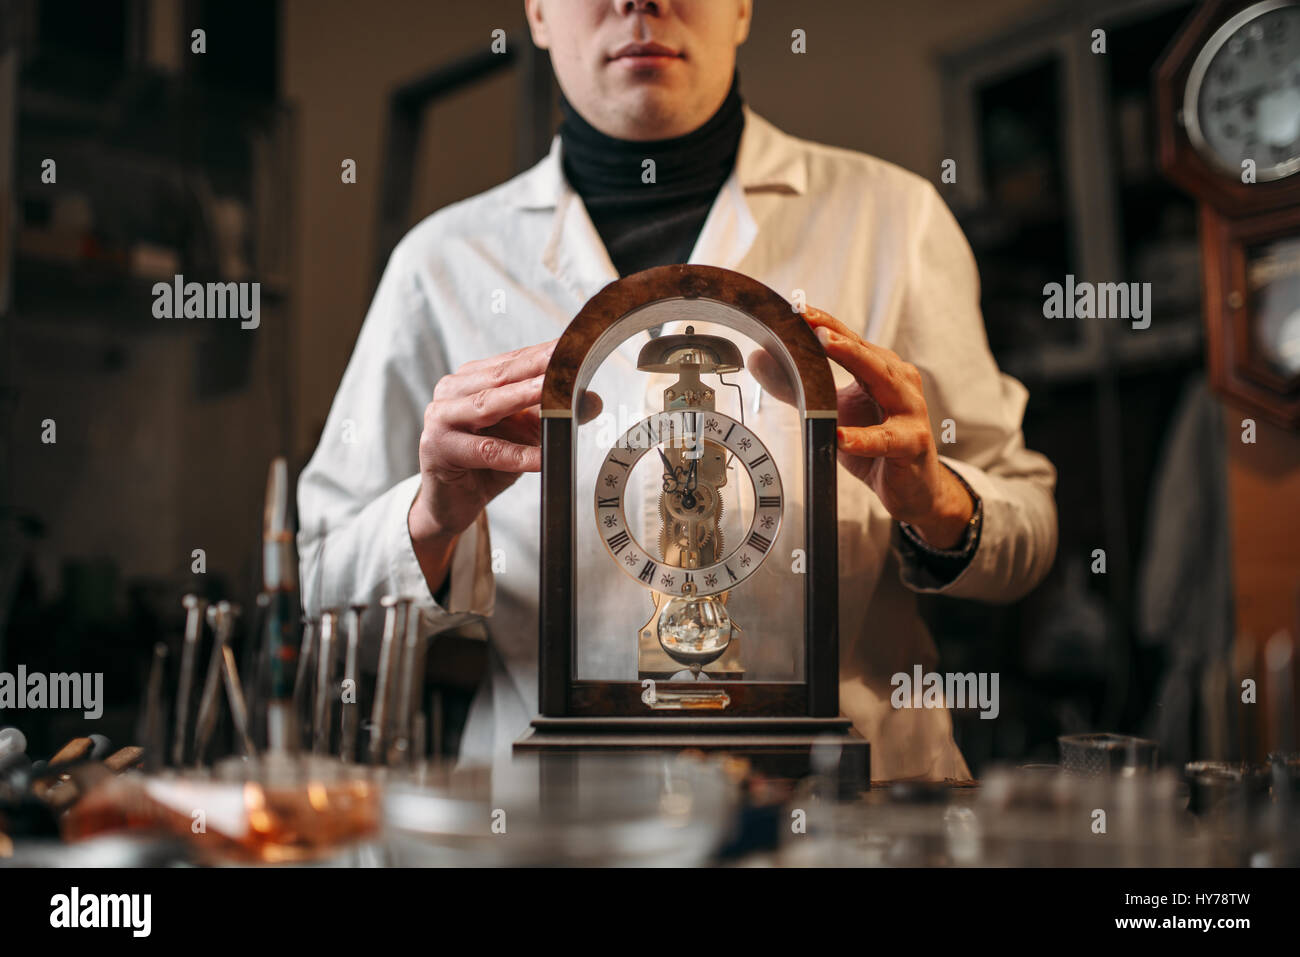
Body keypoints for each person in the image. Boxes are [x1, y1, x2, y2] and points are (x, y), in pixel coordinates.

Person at [297, 0, 1058, 782]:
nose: (639, 2)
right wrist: (432, 519)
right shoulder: (441, 265)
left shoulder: (896, 219)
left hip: (850, 811)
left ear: (741, 8)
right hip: (552, 819)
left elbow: (1028, 535)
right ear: (535, 12)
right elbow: (320, 586)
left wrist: (937, 503)